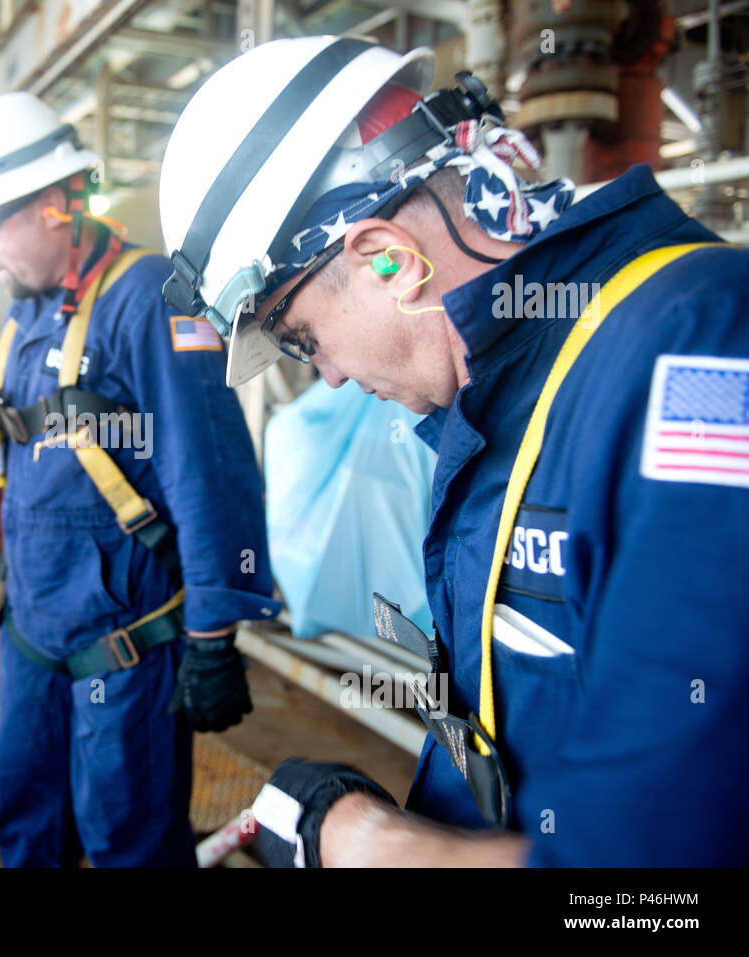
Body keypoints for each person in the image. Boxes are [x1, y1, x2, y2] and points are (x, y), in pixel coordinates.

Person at [157, 35, 749, 866]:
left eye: (300, 339)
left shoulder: (703, 349)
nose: (323, 376)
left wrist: (359, 839)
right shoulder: (508, 391)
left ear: (388, 258)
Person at [0, 92, 281, 866]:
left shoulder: (145, 298)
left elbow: (208, 471)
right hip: (32, 634)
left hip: (123, 646)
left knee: (129, 840)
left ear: (56, 203)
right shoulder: (27, 315)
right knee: (25, 821)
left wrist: (214, 634)